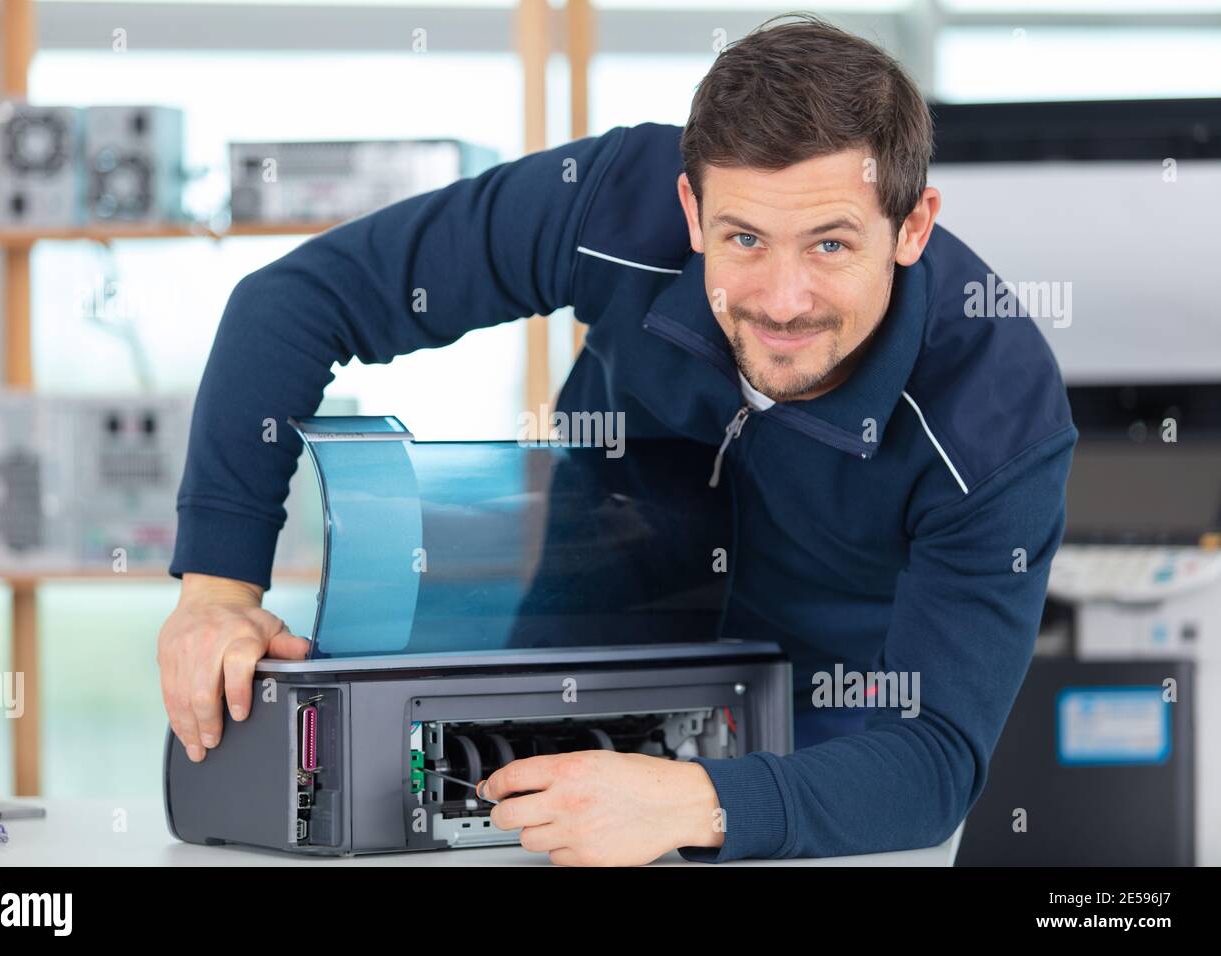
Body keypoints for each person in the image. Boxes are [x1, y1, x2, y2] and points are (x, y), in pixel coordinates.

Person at [157, 14, 1075, 865]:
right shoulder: (609, 204)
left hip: (820, 762)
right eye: (744, 238)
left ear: (911, 226)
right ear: (688, 212)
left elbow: (935, 760)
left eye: (830, 246)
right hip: (574, 655)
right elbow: (295, 303)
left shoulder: (998, 421)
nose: (782, 299)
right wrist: (216, 589)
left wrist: (698, 803)